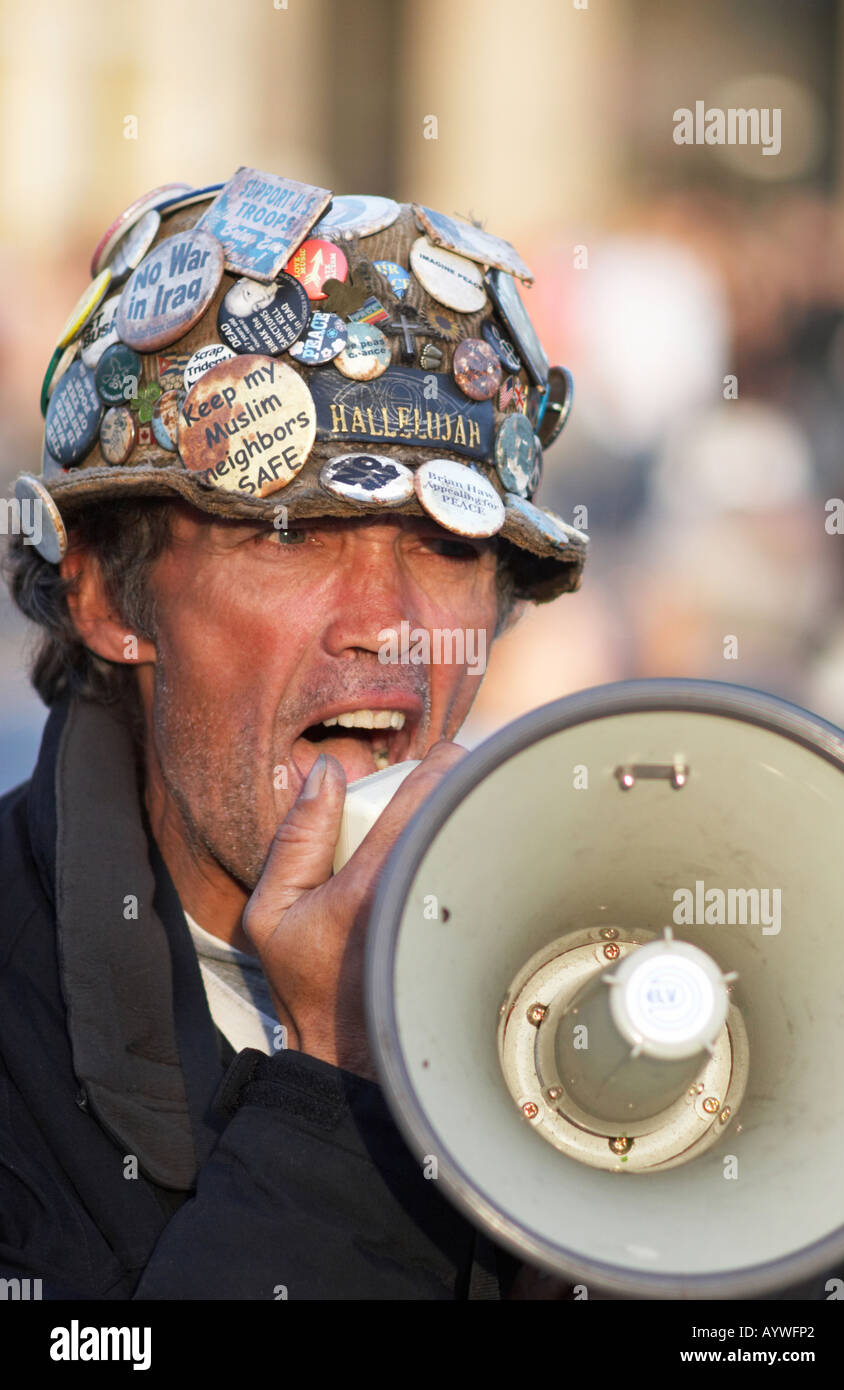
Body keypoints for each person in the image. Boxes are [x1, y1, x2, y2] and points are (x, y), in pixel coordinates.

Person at [1, 170, 585, 1300]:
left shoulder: (609, 944)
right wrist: (339, 1093)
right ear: (110, 601)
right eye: (290, 539)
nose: (386, 627)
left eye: (443, 545)